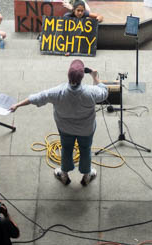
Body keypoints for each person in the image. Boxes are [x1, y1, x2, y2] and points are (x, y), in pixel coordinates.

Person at [10, 59, 109, 187]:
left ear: (68, 75)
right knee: (85, 149)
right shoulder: (91, 92)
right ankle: (86, 175)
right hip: (86, 129)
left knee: (66, 149)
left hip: (65, 129)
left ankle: (64, 174)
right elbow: (104, 93)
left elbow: (37, 98)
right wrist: (95, 77)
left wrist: (17, 105)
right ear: (82, 77)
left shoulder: (57, 92)